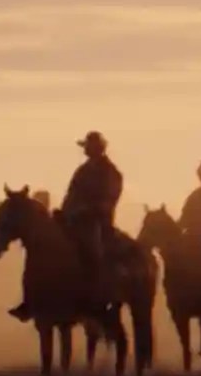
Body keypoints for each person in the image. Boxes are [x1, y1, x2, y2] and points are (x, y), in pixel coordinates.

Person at [9, 131, 122, 322]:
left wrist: (87, 210)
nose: (85, 150)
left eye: (88, 146)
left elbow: (109, 199)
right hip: (73, 221)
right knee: (41, 249)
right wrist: (64, 212)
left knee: (92, 253)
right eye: (86, 146)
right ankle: (31, 299)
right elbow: (71, 194)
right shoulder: (83, 171)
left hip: (96, 223)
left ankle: (97, 299)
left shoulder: (110, 172)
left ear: (96, 148)